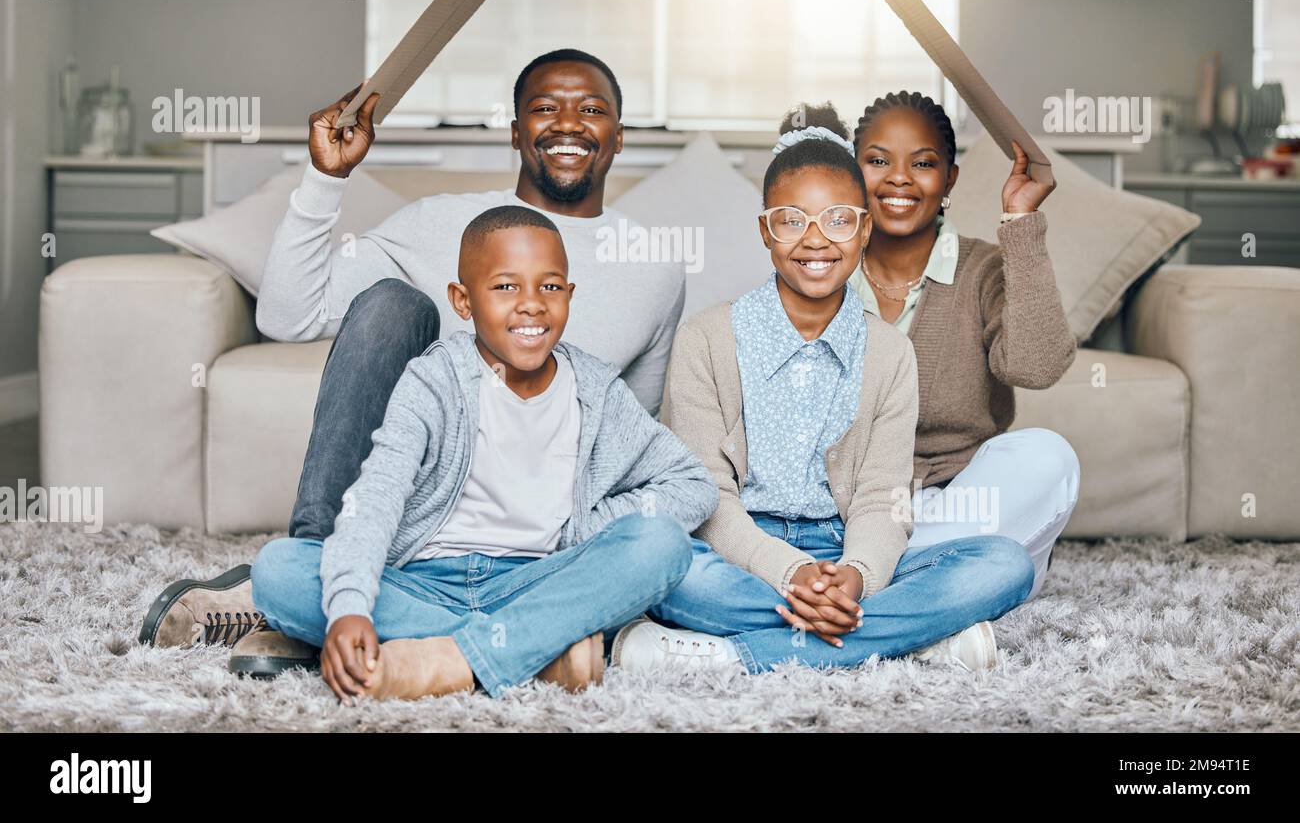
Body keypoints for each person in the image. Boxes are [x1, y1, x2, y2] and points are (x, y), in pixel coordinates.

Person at [137, 49, 686, 674]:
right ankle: (499, 630)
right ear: (514, 132)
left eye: (591, 109)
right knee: (391, 307)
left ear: (619, 135)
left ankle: (334, 628)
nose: (567, 123)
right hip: (410, 540)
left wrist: (585, 535)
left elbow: (633, 442)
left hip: (537, 556)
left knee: (662, 552)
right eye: (543, 108)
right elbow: (286, 316)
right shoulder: (440, 224)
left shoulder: (656, 269)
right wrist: (325, 179)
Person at [613, 120, 1035, 676]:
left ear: (864, 232)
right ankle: (904, 639)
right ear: (765, 231)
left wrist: (855, 574)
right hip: (739, 553)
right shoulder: (706, 338)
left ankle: (729, 657)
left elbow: (883, 498)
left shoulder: (888, 352)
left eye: (838, 221)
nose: (815, 240)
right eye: (792, 221)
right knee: (655, 559)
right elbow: (707, 499)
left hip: (845, 549)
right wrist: (791, 573)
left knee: (1003, 564)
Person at [248, 206, 717, 701]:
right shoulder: (435, 380)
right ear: (462, 301)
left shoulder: (596, 390)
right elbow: (378, 494)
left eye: (550, 287)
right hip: (423, 582)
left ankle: (452, 660)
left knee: (661, 544)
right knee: (280, 570)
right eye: (506, 287)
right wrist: (349, 608)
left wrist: (580, 526)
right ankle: (538, 651)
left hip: (536, 580)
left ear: (570, 296)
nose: (532, 305)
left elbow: (691, 485)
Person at [844, 93, 1079, 601]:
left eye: (923, 163)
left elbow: (1035, 367)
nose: (899, 178)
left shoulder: (983, 269)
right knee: (999, 569)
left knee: (1049, 458)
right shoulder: (824, 268)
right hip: (853, 511)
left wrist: (1021, 224)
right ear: (853, 169)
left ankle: (876, 590)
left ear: (949, 179)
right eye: (878, 161)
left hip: (963, 506)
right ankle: (939, 600)